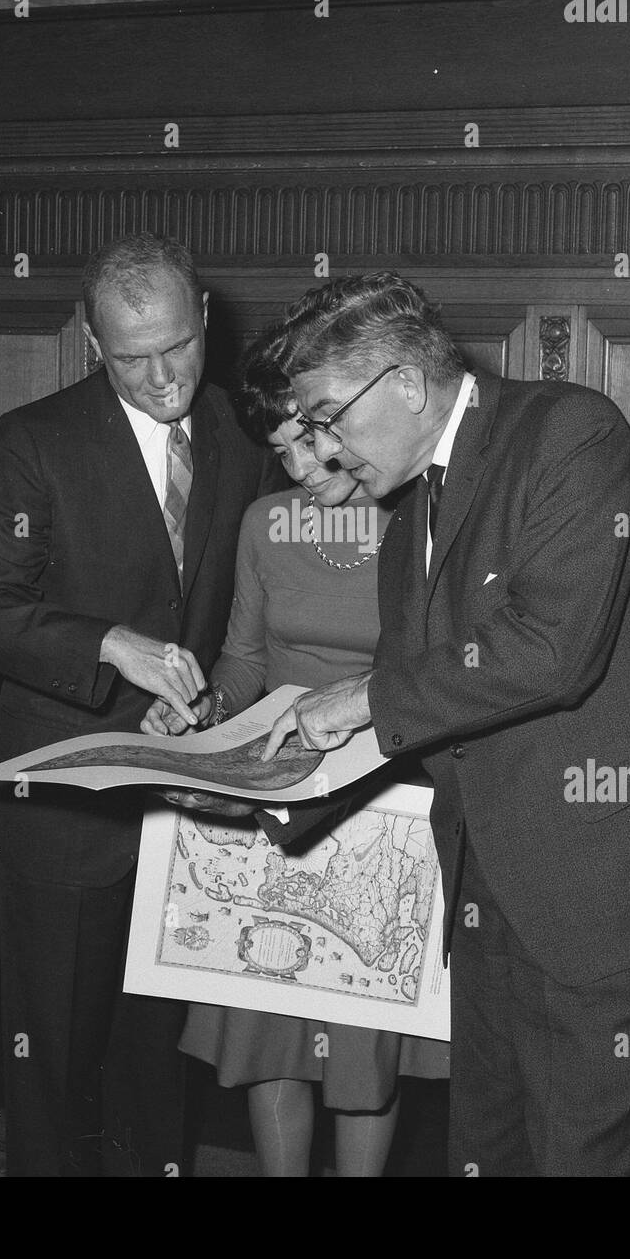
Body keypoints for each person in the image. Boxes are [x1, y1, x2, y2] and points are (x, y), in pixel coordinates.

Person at [262, 272, 630, 1176]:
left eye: (325, 416)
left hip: (614, 891)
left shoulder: (571, 433)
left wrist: (359, 702)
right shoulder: (409, 510)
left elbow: (551, 648)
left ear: (407, 385)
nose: (320, 446)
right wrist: (258, 795)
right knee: (491, 1155)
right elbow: (440, 705)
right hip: (492, 894)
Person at [0, 232, 280, 1176]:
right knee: (52, 1057)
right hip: (66, 804)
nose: (163, 374)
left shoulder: (241, 434)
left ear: (205, 317)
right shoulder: (37, 440)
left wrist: (214, 700)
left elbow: (244, 604)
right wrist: (106, 645)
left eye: (177, 345)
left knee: (155, 1053)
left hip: (185, 797)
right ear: (94, 343)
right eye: (132, 357)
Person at [142, 337, 450, 1177]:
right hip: (276, 798)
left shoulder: (419, 515)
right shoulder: (263, 524)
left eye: (310, 438)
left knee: (362, 1043)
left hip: (389, 808)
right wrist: (204, 709)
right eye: (279, 450)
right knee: (270, 1025)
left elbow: (446, 679)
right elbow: (244, 659)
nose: (301, 466)